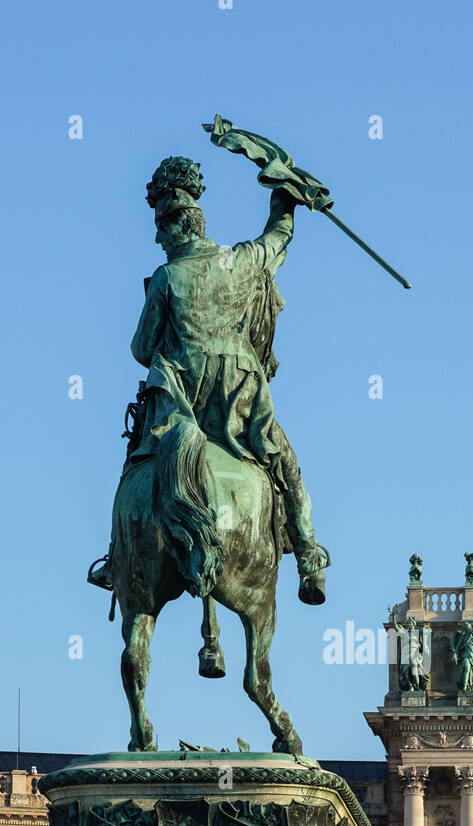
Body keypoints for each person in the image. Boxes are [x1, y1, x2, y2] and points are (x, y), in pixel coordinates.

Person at [89, 155, 328, 605]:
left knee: (135, 462)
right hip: (240, 397)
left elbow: (141, 349)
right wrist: (285, 199)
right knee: (285, 463)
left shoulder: (167, 277)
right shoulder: (241, 261)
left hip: (182, 398)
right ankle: (309, 556)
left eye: (162, 227)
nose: (158, 238)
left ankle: (114, 554)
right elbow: (278, 237)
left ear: (181, 224)